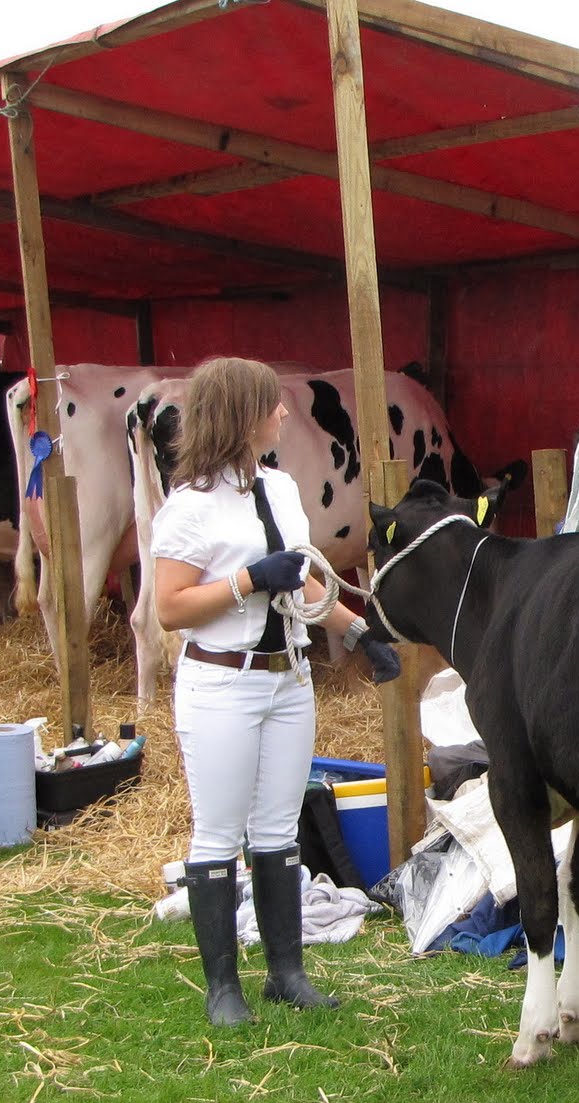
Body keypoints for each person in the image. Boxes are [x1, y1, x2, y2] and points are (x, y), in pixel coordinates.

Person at [151, 356, 401, 1027]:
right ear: (240, 415)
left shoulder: (281, 488)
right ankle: (222, 988)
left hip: (286, 678)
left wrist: (357, 633)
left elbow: (300, 577)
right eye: (272, 405)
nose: (285, 414)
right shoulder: (188, 507)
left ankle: (286, 975)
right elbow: (170, 609)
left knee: (275, 831)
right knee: (218, 833)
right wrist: (245, 581)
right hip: (220, 682)